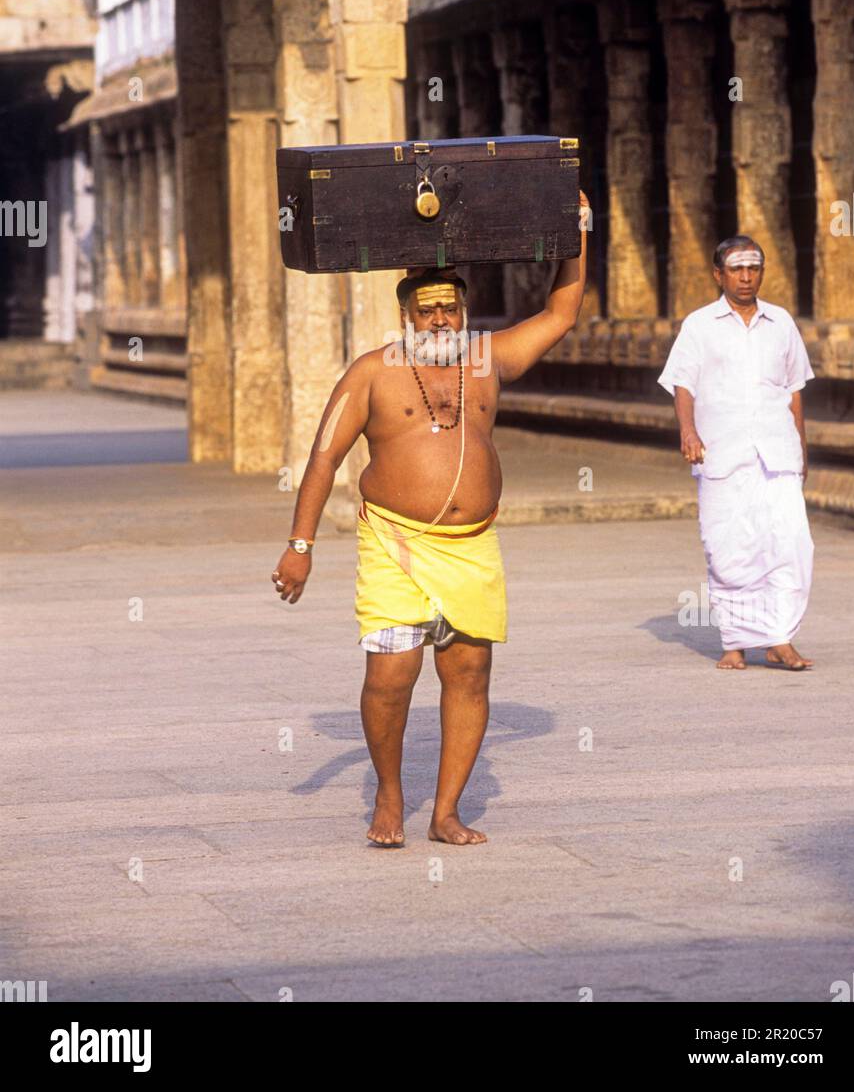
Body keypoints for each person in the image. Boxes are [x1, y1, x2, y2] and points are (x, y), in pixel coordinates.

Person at [272, 192, 589, 846]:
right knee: (390, 676)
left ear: (463, 311)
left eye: (450, 307)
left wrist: (576, 230)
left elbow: (561, 311)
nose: (440, 318)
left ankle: (445, 812)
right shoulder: (371, 374)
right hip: (394, 544)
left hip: (472, 547)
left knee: (467, 675)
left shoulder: (488, 359)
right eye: (428, 309)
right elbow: (323, 456)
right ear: (406, 314)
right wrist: (299, 545)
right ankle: (389, 796)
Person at [658, 236, 815, 672]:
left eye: (754, 268)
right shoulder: (700, 325)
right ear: (719, 275)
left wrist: (802, 448)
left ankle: (780, 639)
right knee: (729, 547)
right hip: (722, 453)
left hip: (778, 452)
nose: (746, 277)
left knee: (790, 544)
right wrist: (687, 430)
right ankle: (735, 642)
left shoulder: (781, 323)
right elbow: (682, 384)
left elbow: (794, 390)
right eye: (737, 269)